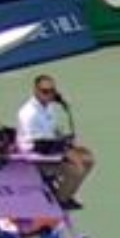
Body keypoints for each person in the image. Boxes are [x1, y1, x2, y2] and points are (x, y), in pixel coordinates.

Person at [16, 74, 93, 209]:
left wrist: (65, 141)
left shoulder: (49, 107)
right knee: (76, 170)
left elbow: (53, 132)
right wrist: (65, 153)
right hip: (36, 159)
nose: (49, 95)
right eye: (45, 91)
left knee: (88, 158)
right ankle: (60, 201)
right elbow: (38, 145)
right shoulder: (27, 113)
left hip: (51, 150)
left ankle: (66, 194)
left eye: (52, 91)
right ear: (36, 91)